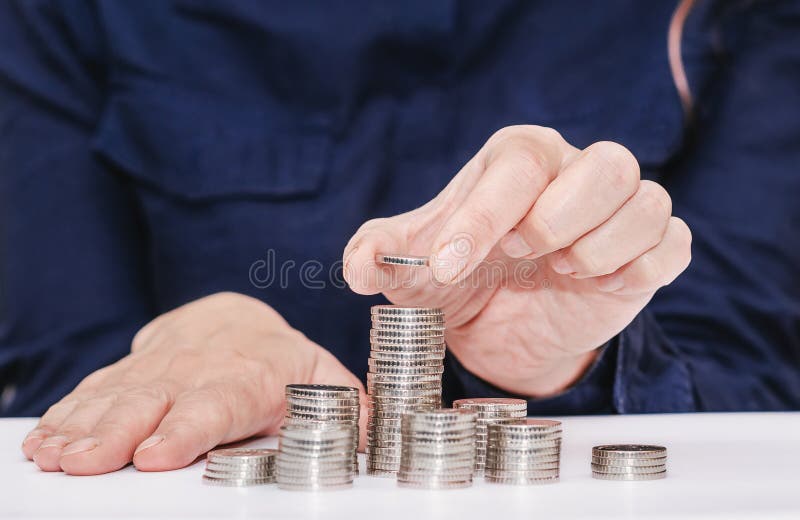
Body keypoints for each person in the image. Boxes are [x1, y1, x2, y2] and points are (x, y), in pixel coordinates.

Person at [1, 0, 798, 477]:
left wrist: (576, 371)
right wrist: (170, 356)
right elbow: (56, 402)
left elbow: (756, 402)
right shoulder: (65, 14)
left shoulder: (742, 16)